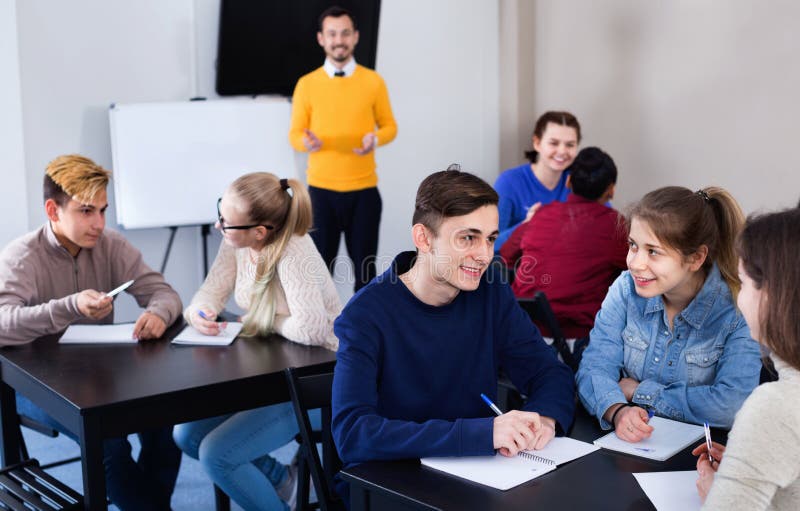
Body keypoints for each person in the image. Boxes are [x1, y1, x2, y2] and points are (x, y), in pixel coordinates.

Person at [332, 167, 576, 500]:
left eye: (490, 238)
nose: (485, 255)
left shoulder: (491, 292)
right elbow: (353, 433)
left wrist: (544, 419)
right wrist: (481, 433)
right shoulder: (365, 314)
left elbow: (548, 371)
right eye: (467, 238)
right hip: (390, 487)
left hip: (477, 480)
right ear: (423, 238)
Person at [0, 154, 182, 510]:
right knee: (109, 445)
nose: (99, 223)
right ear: (53, 211)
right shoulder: (21, 257)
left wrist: (159, 313)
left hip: (100, 374)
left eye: (103, 210)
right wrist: (69, 307)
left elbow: (165, 293)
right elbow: (2, 323)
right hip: (37, 383)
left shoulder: (111, 245)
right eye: (86, 211)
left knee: (164, 420)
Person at [174, 172, 341, 511]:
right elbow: (211, 291)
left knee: (216, 455)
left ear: (260, 231)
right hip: (271, 369)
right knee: (186, 435)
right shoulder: (236, 242)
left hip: (316, 382)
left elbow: (312, 328)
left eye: (227, 222)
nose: (219, 226)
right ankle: (285, 482)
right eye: (221, 213)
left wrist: (258, 320)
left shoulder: (294, 251)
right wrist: (201, 312)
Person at [576, 186, 762, 442]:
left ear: (696, 258)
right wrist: (617, 411)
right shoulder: (625, 287)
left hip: (701, 460)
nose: (635, 263)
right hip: (629, 447)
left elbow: (732, 405)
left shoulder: (737, 310)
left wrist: (642, 392)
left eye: (653, 251)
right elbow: (594, 368)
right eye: (633, 245)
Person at [694, 208, 800, 509]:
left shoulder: (775, 407)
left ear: (772, 295)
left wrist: (718, 495)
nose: (738, 298)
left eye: (743, 282)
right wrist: (745, 472)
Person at [288, 5, 398, 292]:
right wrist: (305, 142)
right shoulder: (307, 84)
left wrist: (375, 139)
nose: (339, 40)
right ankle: (319, 331)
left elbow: (390, 127)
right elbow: (294, 134)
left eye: (345, 33)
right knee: (320, 271)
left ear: (356, 37)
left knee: (366, 270)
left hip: (364, 192)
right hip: (321, 193)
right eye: (332, 33)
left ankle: (366, 334)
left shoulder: (373, 81)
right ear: (321, 38)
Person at [500, 147, 627, 367]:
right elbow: (637, 271)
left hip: (522, 337)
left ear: (568, 182)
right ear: (611, 190)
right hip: (579, 342)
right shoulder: (616, 226)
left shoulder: (541, 215)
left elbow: (506, 256)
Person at [494, 111, 581, 251]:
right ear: (537, 143)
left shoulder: (580, 181)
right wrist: (526, 225)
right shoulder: (509, 182)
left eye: (570, 145)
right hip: (520, 270)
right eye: (554, 143)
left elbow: (608, 225)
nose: (562, 151)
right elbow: (490, 244)